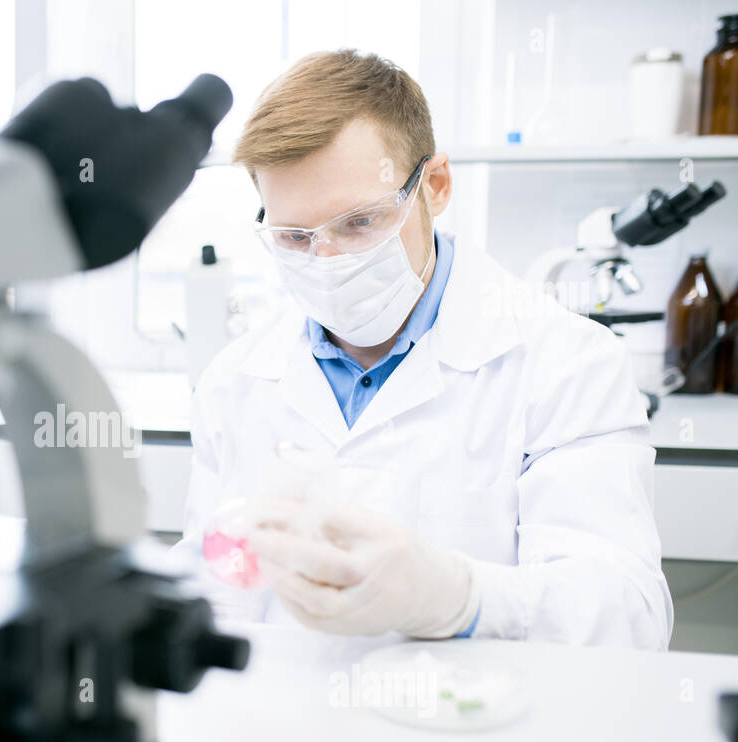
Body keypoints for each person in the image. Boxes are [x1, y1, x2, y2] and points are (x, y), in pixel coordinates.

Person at [178, 50, 672, 649]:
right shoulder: (234, 379)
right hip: (283, 705)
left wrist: (457, 598)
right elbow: (214, 583)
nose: (327, 261)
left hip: (475, 707)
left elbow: (627, 615)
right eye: (295, 236)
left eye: (359, 222)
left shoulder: (567, 363)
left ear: (435, 186)